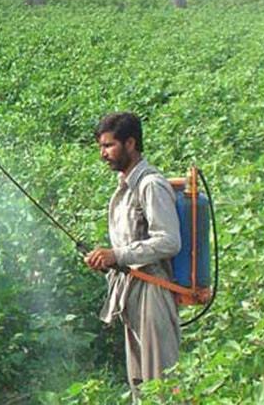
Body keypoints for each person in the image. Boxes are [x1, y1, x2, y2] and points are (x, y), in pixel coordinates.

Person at [84, 112, 181, 397]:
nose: (103, 154)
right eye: (101, 147)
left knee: (161, 383)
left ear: (130, 143)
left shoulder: (150, 185)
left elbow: (169, 241)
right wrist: (107, 260)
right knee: (140, 385)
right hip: (131, 290)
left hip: (153, 290)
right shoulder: (124, 187)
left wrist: (117, 255)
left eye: (109, 146)